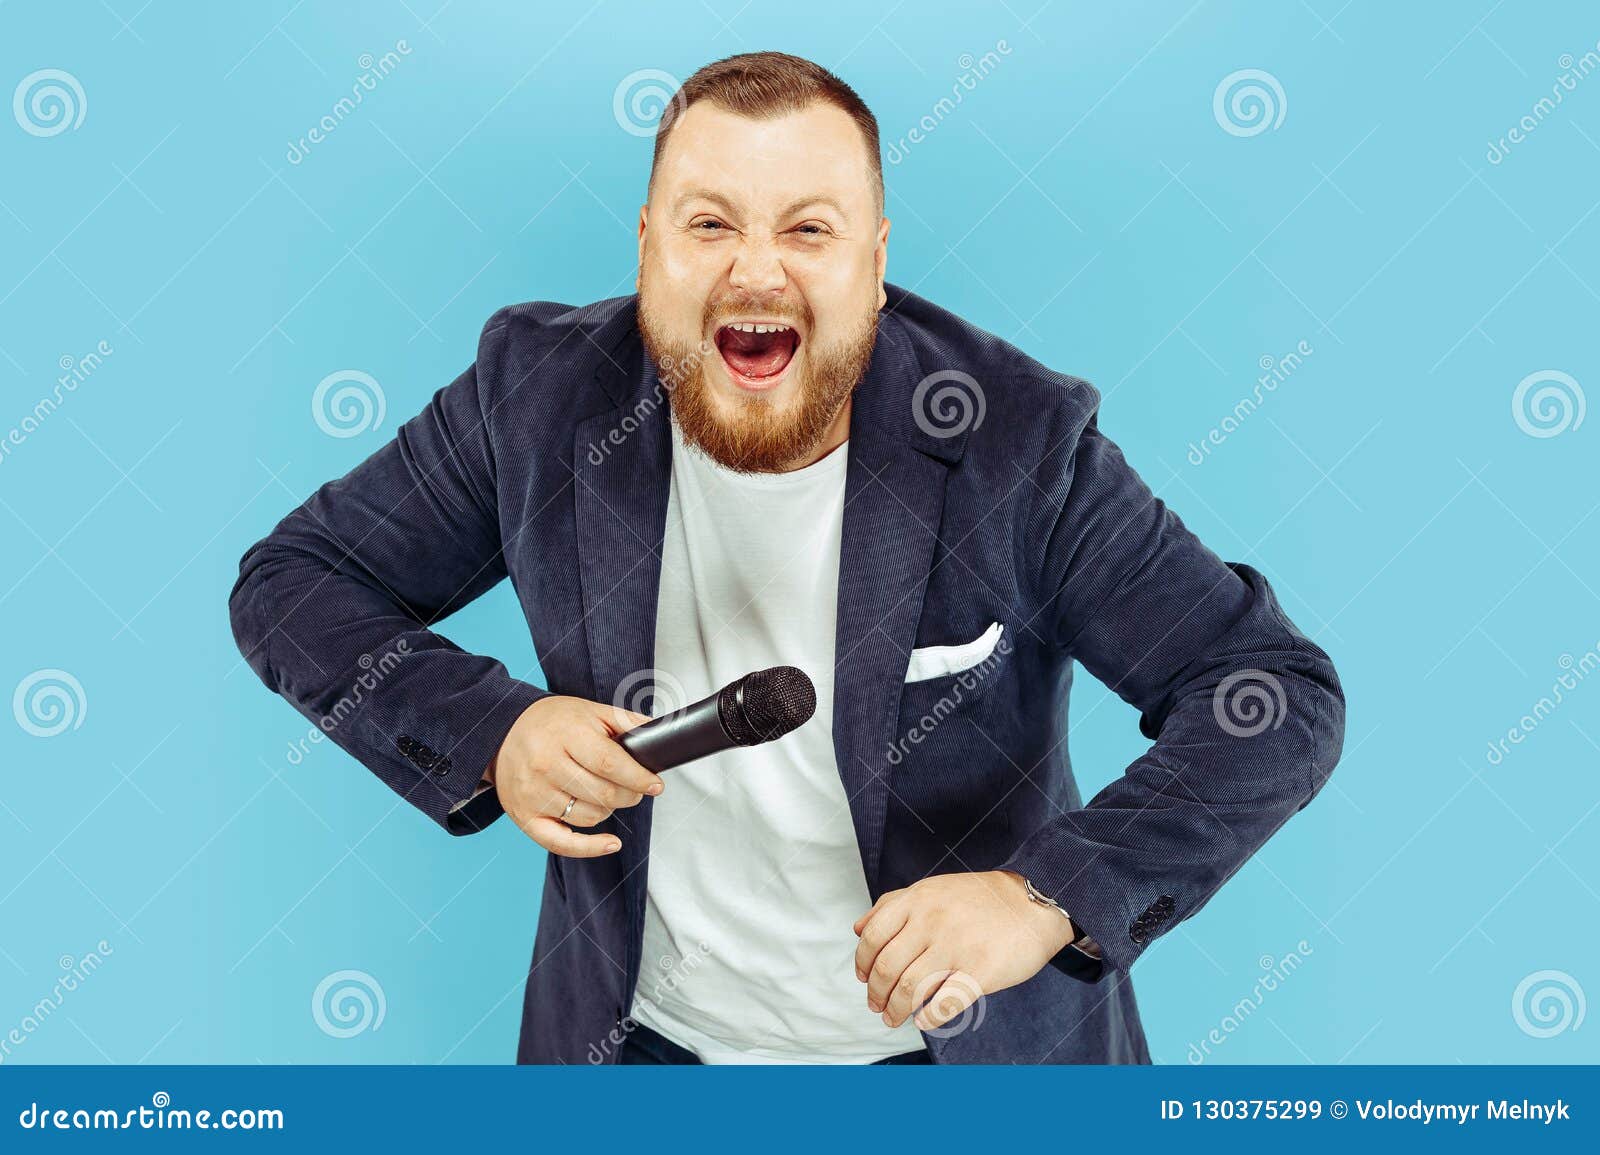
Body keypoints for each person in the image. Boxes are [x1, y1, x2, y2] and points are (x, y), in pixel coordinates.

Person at [229, 51, 1345, 1065]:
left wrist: (1045, 894)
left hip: (959, 1064)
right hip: (638, 1048)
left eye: (807, 231)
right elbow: (293, 585)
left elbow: (1270, 696)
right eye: (709, 225)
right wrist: (497, 730)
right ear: (647, 246)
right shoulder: (537, 396)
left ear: (874, 261)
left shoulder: (1015, 440)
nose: (755, 273)